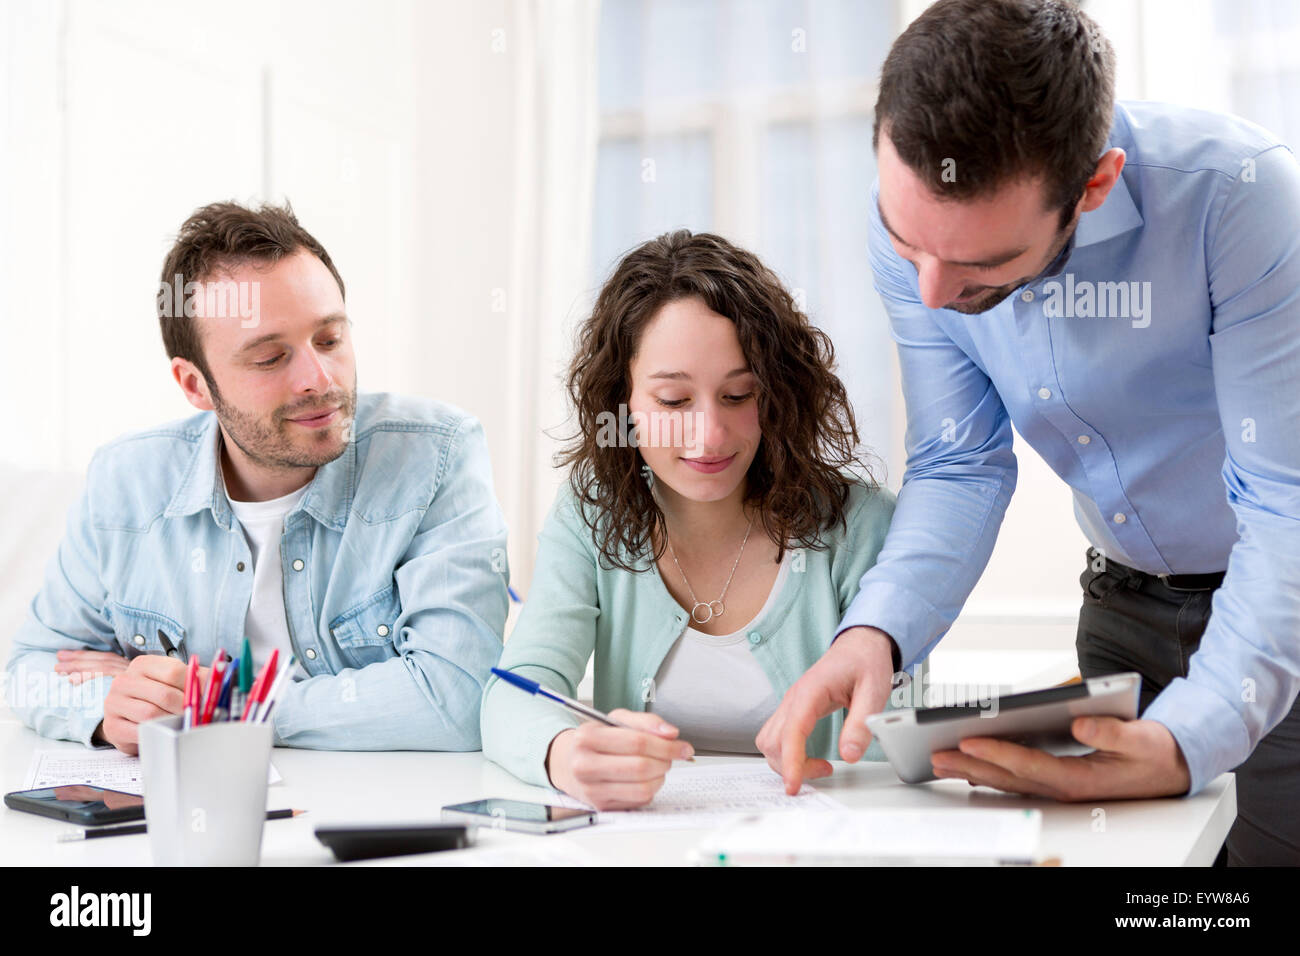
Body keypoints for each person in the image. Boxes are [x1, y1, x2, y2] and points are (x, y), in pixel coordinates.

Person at [759, 0, 1300, 866]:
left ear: (1093, 184)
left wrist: (1188, 739)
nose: (932, 293)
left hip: (1278, 612)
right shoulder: (917, 225)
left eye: (979, 266)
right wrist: (874, 634)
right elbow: (958, 461)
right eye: (909, 246)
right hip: (1122, 608)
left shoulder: (1239, 200)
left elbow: (1286, 501)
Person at [5, 201, 509, 754]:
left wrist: (219, 704)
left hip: (375, 821)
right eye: (270, 358)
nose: (318, 380)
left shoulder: (436, 455)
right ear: (195, 385)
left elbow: (456, 700)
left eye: (330, 339)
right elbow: (31, 668)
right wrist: (107, 707)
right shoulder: (126, 483)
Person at [481, 230, 912, 809]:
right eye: (673, 402)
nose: (708, 436)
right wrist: (560, 753)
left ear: (779, 394)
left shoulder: (861, 527)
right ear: (623, 401)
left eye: (739, 396)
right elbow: (513, 691)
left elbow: (895, 746)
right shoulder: (591, 512)